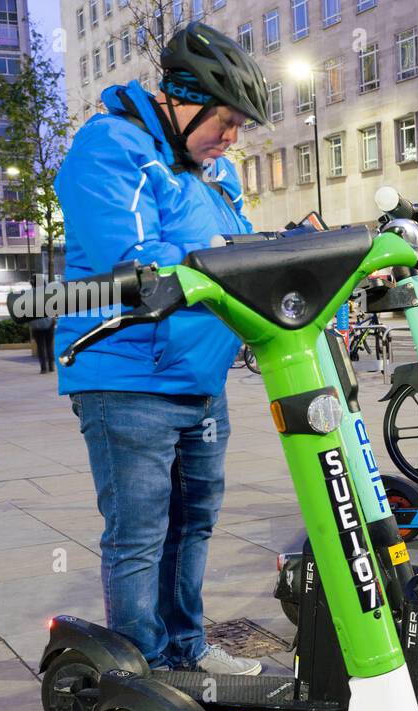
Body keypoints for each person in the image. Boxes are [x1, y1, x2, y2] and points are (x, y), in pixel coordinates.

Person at [54, 23, 271, 675]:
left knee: (194, 523)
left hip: (199, 378)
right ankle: (141, 673)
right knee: (141, 535)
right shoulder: (110, 146)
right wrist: (221, 268)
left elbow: (243, 249)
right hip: (128, 377)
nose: (232, 139)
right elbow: (137, 259)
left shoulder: (218, 174)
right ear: (185, 99)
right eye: (227, 121)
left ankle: (186, 644)